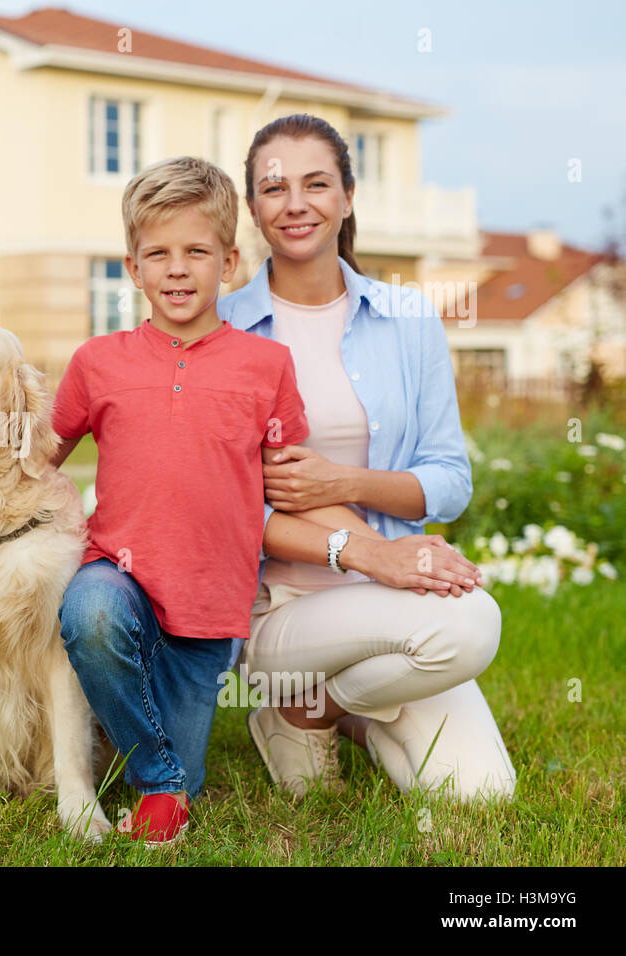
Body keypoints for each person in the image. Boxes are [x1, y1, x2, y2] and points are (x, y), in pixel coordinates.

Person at [218, 113, 517, 801]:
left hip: (392, 596)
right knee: (471, 618)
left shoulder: (409, 320)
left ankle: (318, 710)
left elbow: (448, 482)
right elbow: (225, 502)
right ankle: (292, 698)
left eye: (317, 183)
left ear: (348, 196)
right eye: (274, 188)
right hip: (279, 606)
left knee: (482, 794)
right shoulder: (222, 327)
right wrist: (367, 551)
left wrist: (343, 480)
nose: (296, 203)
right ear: (255, 210)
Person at [52, 157, 310, 845]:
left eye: (196, 252)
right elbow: (38, 462)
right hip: (119, 575)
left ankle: (159, 766)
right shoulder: (97, 363)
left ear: (228, 262)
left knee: (187, 769)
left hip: (209, 604)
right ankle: (157, 779)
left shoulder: (267, 367)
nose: (176, 269)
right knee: (90, 612)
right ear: (133, 269)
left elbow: (290, 480)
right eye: (157, 254)